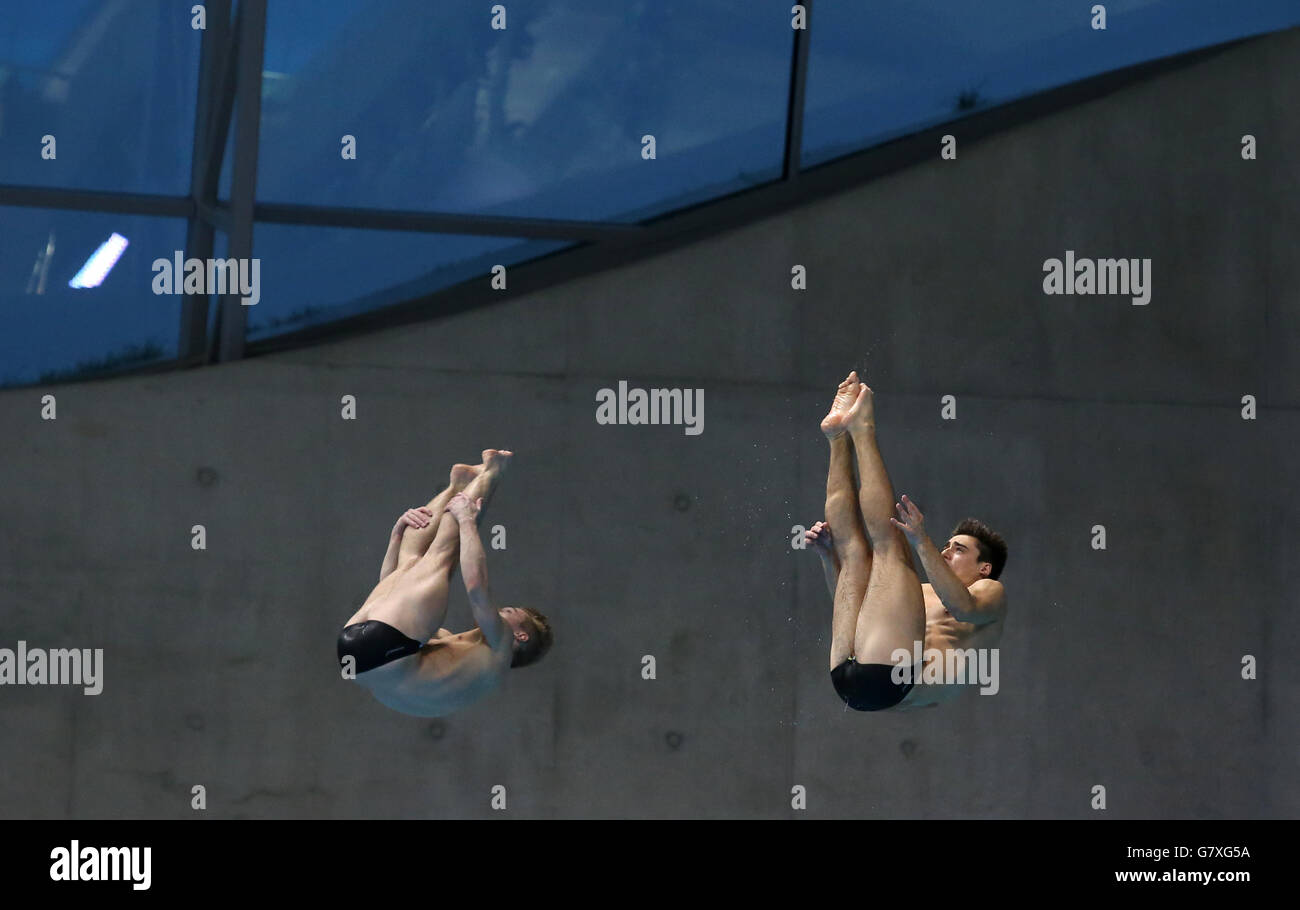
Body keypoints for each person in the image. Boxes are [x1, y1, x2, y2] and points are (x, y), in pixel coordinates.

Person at [807, 373, 1007, 712]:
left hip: (889, 682)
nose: (946, 551)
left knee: (892, 546)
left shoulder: (989, 594)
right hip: (851, 677)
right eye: (947, 544)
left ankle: (862, 429)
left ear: (984, 568)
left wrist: (920, 539)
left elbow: (962, 608)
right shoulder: (920, 594)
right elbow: (855, 611)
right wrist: (829, 560)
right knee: (853, 555)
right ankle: (837, 436)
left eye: (959, 550)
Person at [337, 449, 552, 716]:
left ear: (521, 635)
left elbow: (476, 587)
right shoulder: (456, 652)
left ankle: (493, 471)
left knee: (441, 558)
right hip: (358, 655)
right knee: (412, 564)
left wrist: (466, 521)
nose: (503, 609)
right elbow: (391, 604)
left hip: (378, 650)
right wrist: (395, 538)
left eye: (511, 612)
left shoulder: (502, 647)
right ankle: (459, 486)